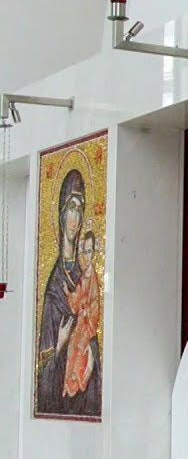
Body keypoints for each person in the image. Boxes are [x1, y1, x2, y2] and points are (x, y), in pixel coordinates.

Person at [35, 169, 102, 417]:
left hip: (84, 385)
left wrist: (92, 353)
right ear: (61, 214)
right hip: (59, 391)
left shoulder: (86, 273)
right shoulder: (54, 285)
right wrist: (60, 343)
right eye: (71, 207)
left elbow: (92, 328)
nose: (75, 216)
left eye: (79, 208)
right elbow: (42, 366)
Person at [63, 229, 102, 400]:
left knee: (79, 350)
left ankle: (75, 385)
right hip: (80, 323)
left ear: (93, 252)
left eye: (89, 251)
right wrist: (67, 292)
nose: (86, 256)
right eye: (84, 251)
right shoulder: (85, 275)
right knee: (71, 347)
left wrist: (87, 312)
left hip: (87, 326)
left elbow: (95, 304)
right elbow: (77, 296)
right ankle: (68, 388)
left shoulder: (92, 275)